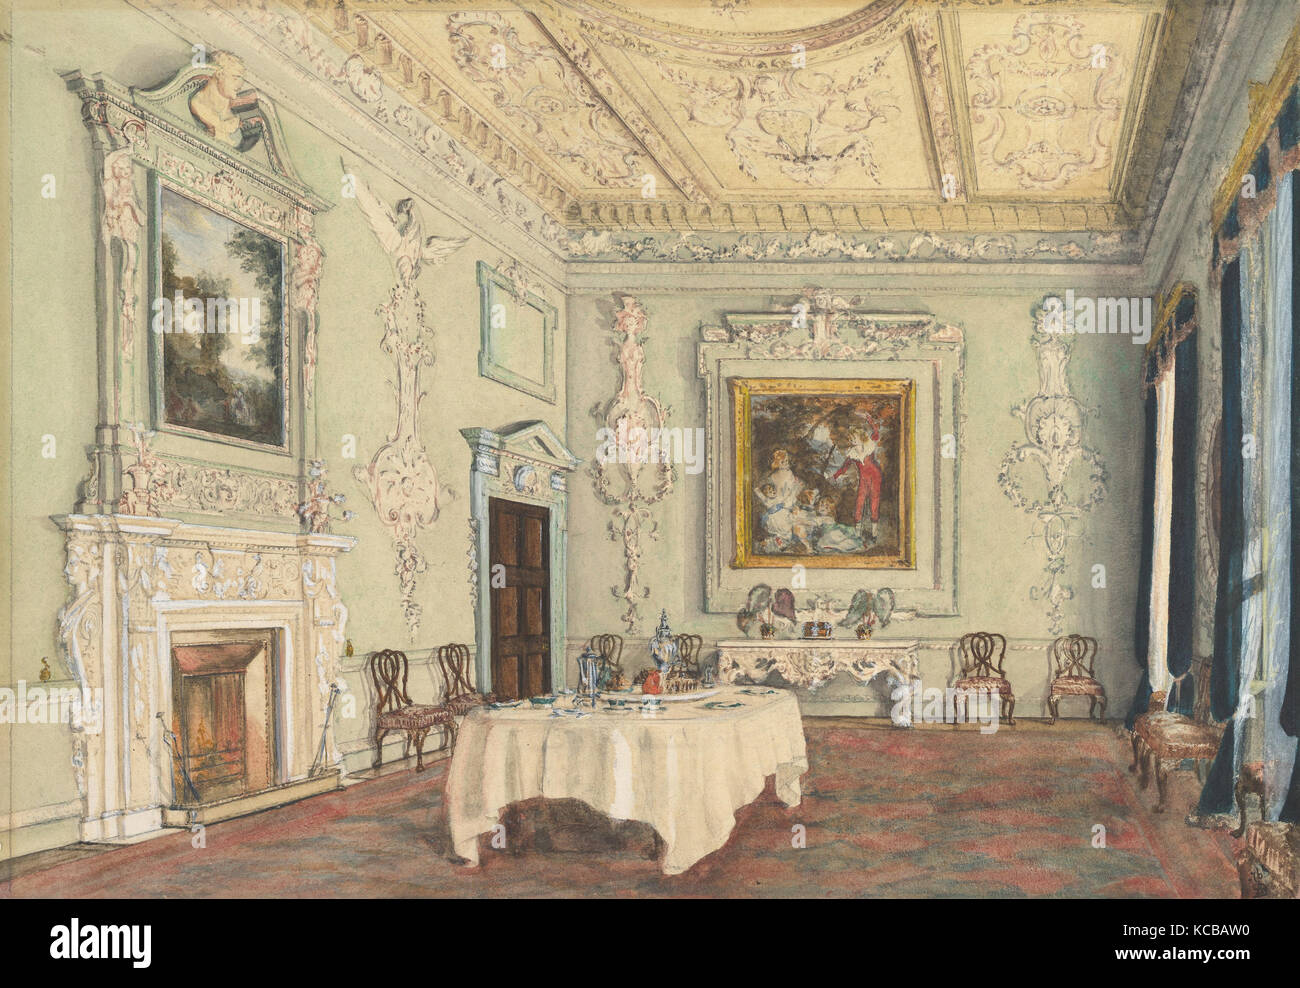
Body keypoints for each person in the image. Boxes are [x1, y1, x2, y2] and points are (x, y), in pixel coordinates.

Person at [831, 424, 883, 541]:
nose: (852, 440)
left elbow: (876, 431)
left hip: (875, 477)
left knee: (874, 503)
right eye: (851, 439)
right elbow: (844, 467)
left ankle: (874, 534)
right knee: (859, 503)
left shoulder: (869, 445)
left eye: (854, 438)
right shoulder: (852, 453)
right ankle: (857, 534)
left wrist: (868, 417)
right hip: (863, 480)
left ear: (861, 437)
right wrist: (834, 476)